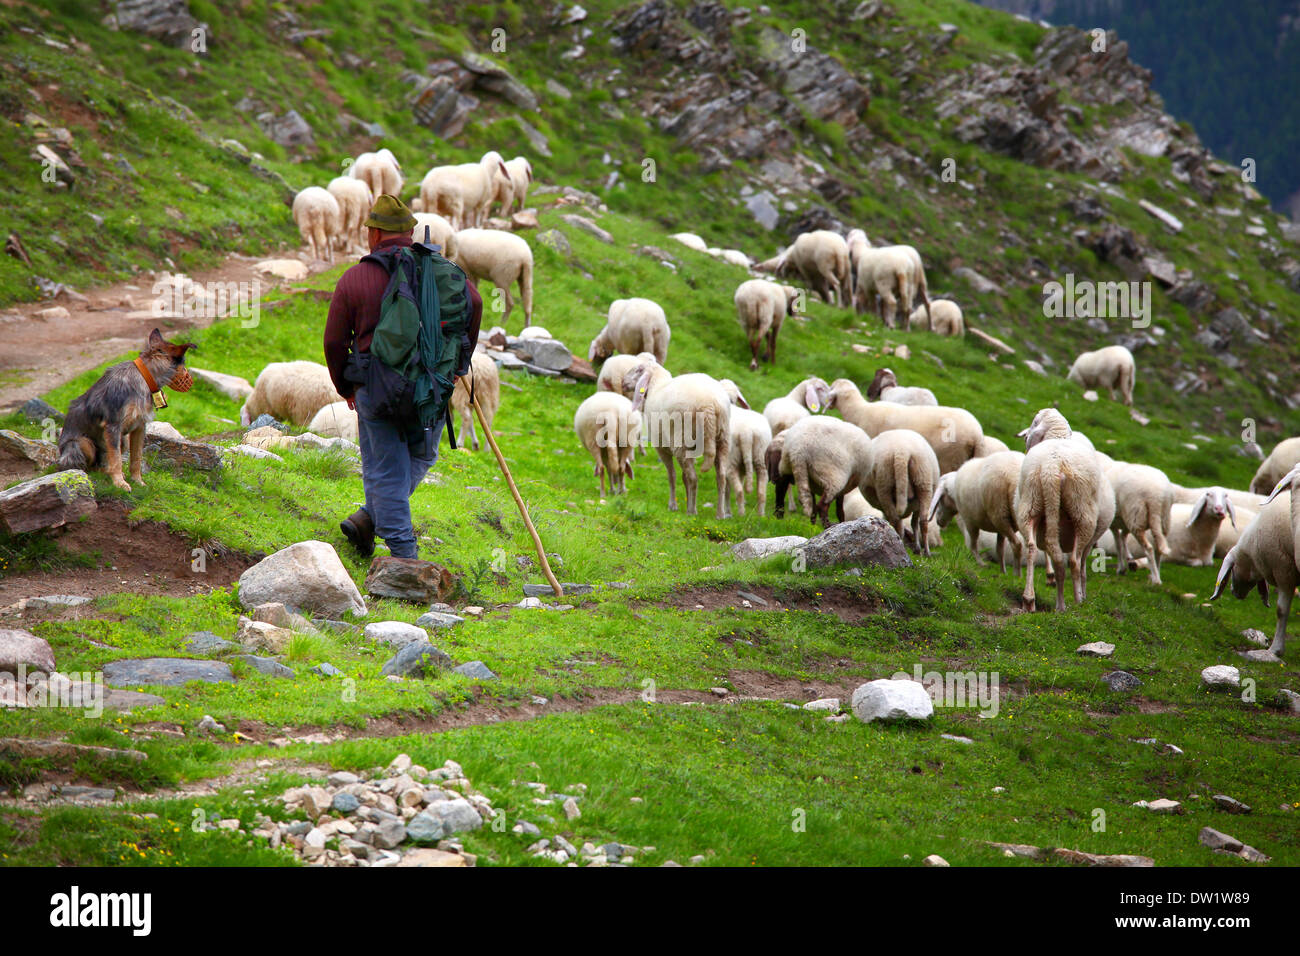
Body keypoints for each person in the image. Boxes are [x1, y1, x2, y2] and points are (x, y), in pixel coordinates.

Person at [323, 194, 482, 559]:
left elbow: (334, 341)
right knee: (420, 457)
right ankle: (368, 522)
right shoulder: (440, 270)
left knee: (384, 471)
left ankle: (404, 557)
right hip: (430, 390)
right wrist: (457, 365)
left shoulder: (356, 278)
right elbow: (473, 304)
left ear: (374, 233)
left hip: (377, 390)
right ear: (410, 232)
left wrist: (346, 386)